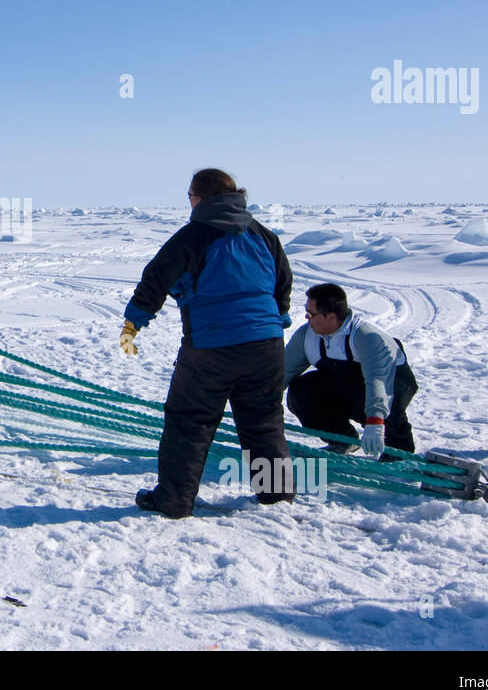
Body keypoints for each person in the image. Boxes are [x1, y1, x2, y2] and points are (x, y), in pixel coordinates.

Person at [122, 169, 294, 516]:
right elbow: (283, 282)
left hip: (212, 347)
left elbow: (156, 279)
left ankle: (173, 501)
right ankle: (276, 496)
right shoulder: (262, 234)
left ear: (199, 198)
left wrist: (132, 324)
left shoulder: (193, 237)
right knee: (264, 420)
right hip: (267, 345)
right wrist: (278, 320)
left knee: (190, 422)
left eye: (189, 195)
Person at [284, 283, 418, 458]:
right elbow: (282, 371)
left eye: (311, 314)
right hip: (348, 383)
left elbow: (378, 381)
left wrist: (375, 421)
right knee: (301, 391)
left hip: (390, 382)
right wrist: (259, 402)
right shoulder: (307, 335)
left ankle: (400, 454)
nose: (306, 318)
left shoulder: (367, 337)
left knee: (386, 403)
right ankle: (343, 440)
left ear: (330, 317)